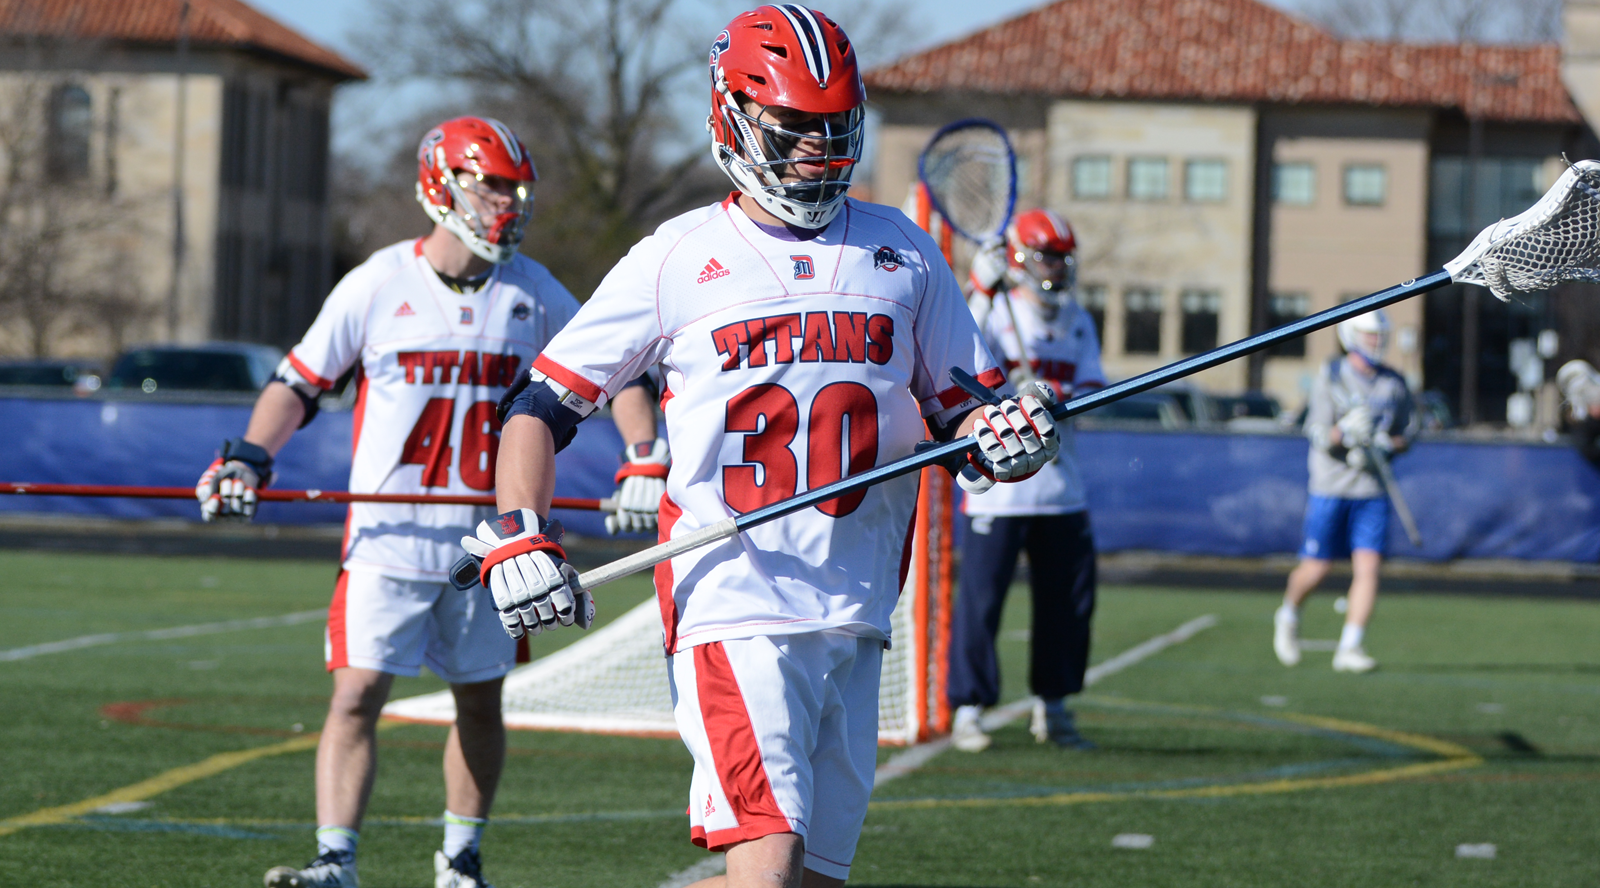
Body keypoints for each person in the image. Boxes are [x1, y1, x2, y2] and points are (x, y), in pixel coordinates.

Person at [461, 6, 1058, 887]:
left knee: (808, 877)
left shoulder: (903, 250)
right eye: (793, 131)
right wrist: (519, 526)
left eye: (833, 131)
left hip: (856, 607)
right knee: (767, 862)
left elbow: (963, 413)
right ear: (732, 120)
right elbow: (539, 405)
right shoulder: (678, 257)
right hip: (732, 601)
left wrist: (1007, 435)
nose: (816, 153)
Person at [194, 116, 657, 888]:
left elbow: (626, 374)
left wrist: (644, 458)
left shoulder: (535, 291)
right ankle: (335, 858)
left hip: (491, 546)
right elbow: (300, 382)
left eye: (516, 188)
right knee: (356, 694)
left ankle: (460, 860)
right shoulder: (378, 282)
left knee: (478, 701)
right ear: (442, 182)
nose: (508, 202)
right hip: (387, 537)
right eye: (492, 184)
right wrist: (249, 456)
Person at [947, 209, 1104, 753]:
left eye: (1063, 257)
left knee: (1067, 603)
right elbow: (957, 353)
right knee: (982, 602)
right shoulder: (994, 309)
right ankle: (969, 706)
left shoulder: (1078, 319)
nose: (1057, 268)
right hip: (1002, 486)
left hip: (1061, 487)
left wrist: (1051, 400)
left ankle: (1054, 705)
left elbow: (1091, 387)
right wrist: (980, 289)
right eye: (1047, 256)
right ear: (1017, 258)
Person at [1273, 309, 1415, 674]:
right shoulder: (1331, 377)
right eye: (1369, 335)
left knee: (1368, 568)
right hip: (1331, 486)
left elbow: (1410, 432)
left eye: (1379, 336)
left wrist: (1386, 444)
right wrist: (1345, 432)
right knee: (1317, 568)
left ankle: (1350, 645)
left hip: (1371, 489)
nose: (1376, 342)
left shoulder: (1394, 383)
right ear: (1352, 336)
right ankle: (1288, 615)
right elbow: (1316, 432)